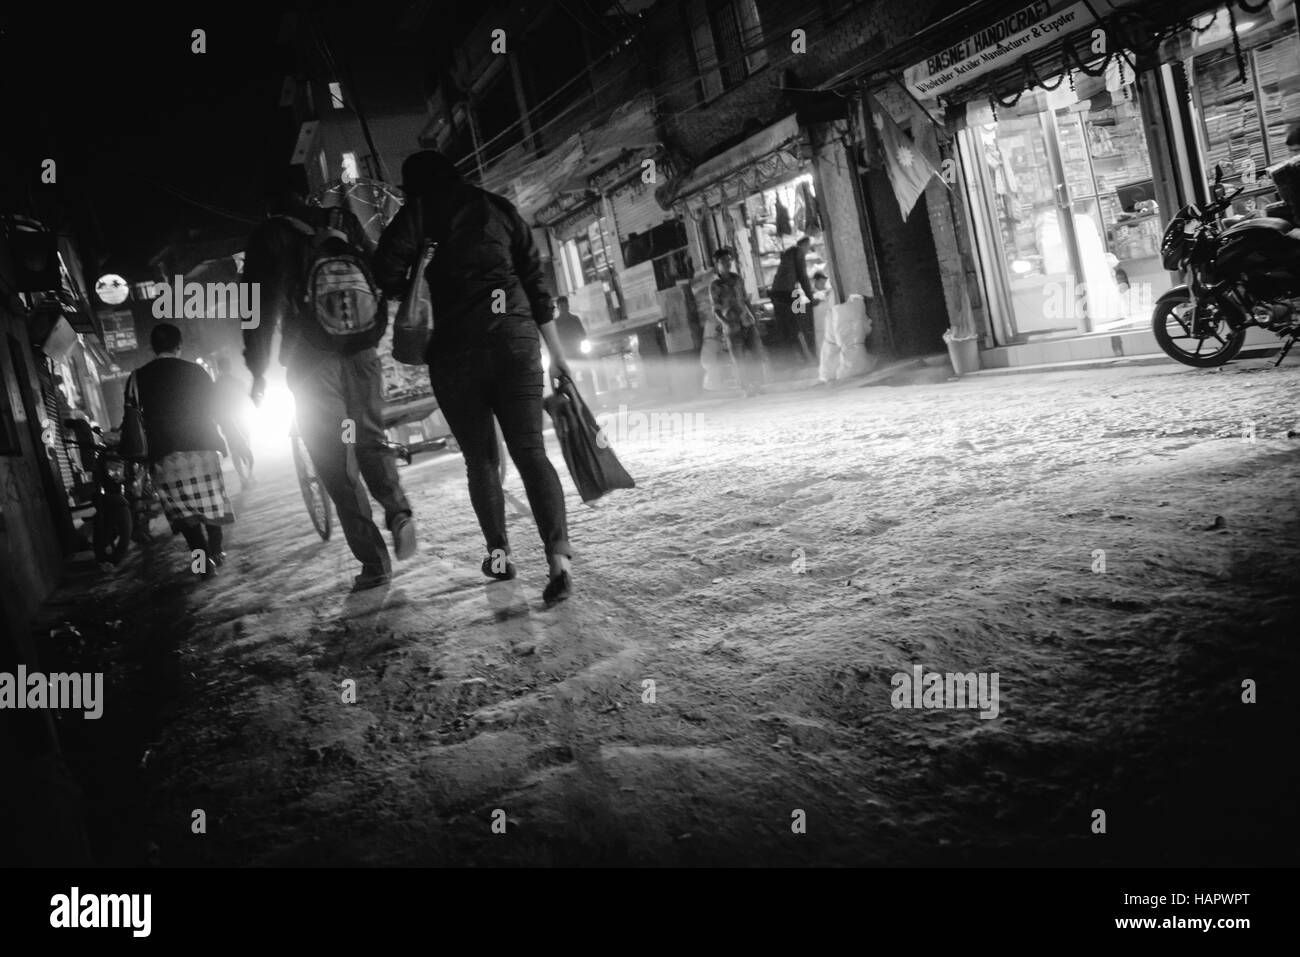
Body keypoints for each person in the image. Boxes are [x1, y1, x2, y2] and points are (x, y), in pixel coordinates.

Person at [374, 149, 575, 605]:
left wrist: (417, 278)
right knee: (530, 452)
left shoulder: (418, 214)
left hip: (455, 351)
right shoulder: (499, 209)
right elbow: (536, 284)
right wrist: (557, 355)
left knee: (480, 459)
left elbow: (384, 273)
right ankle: (559, 561)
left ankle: (499, 557)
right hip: (516, 341)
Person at [242, 164, 416, 593]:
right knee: (370, 437)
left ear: (266, 201)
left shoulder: (268, 236)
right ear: (306, 193)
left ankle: (375, 563)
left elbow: (256, 311)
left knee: (337, 461)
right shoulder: (342, 220)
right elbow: (378, 274)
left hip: (311, 363)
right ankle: (398, 509)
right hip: (361, 351)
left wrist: (258, 370)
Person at [124, 323, 233, 578]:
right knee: (210, 507)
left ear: (152, 348)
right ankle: (216, 551)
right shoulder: (198, 371)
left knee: (185, 516)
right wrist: (229, 439)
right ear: (179, 345)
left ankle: (203, 565)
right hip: (204, 449)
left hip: (166, 456)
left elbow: (130, 418)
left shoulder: (137, 378)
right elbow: (218, 409)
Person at [708, 246, 765, 396]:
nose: (727, 263)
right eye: (723, 261)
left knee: (757, 353)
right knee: (739, 360)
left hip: (746, 321)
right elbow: (716, 310)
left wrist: (754, 317)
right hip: (731, 326)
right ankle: (746, 388)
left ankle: (758, 384)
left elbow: (745, 299)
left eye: (729, 260)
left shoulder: (737, 279)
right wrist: (726, 323)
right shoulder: (715, 286)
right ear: (717, 264)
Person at [769, 235, 816, 367]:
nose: (807, 251)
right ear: (805, 245)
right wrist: (811, 298)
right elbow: (803, 276)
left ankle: (794, 360)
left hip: (779, 294)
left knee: (787, 329)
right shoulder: (798, 252)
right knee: (797, 326)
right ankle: (803, 359)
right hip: (785, 295)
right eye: (808, 248)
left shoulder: (789, 252)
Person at [213, 355, 254, 489]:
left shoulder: (216, 385)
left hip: (227, 421)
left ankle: (242, 477)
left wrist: (218, 422)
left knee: (234, 449)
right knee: (245, 445)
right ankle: (249, 474)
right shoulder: (237, 382)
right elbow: (246, 397)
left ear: (218, 368)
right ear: (229, 367)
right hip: (241, 416)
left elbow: (215, 405)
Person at [550, 296, 591, 397]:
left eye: (565, 305)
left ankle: (590, 396)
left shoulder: (574, 319)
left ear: (568, 305)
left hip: (577, 352)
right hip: (566, 355)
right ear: (558, 307)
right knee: (569, 378)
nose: (564, 307)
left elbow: (583, 334)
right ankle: (573, 398)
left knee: (586, 374)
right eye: (562, 305)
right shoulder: (556, 323)